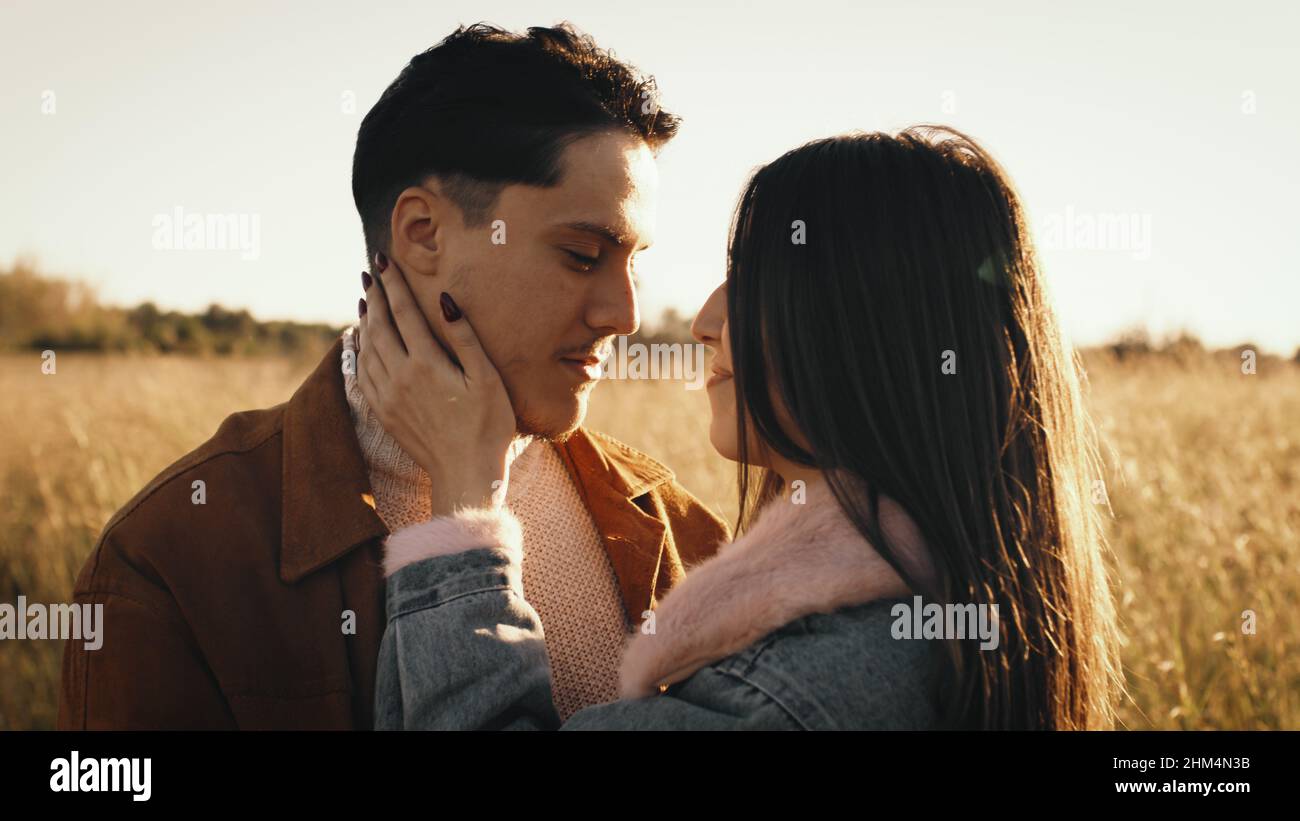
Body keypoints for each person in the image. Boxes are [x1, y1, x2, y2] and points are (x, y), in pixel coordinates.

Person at [58, 23, 727, 729]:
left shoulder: (670, 520)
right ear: (421, 233)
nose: (626, 314)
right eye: (583, 253)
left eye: (635, 261)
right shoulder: (172, 558)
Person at [365, 127, 1125, 730]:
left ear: (873, 323)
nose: (702, 320)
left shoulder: (800, 693)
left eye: (756, 276)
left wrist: (466, 505)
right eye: (581, 255)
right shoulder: (960, 604)